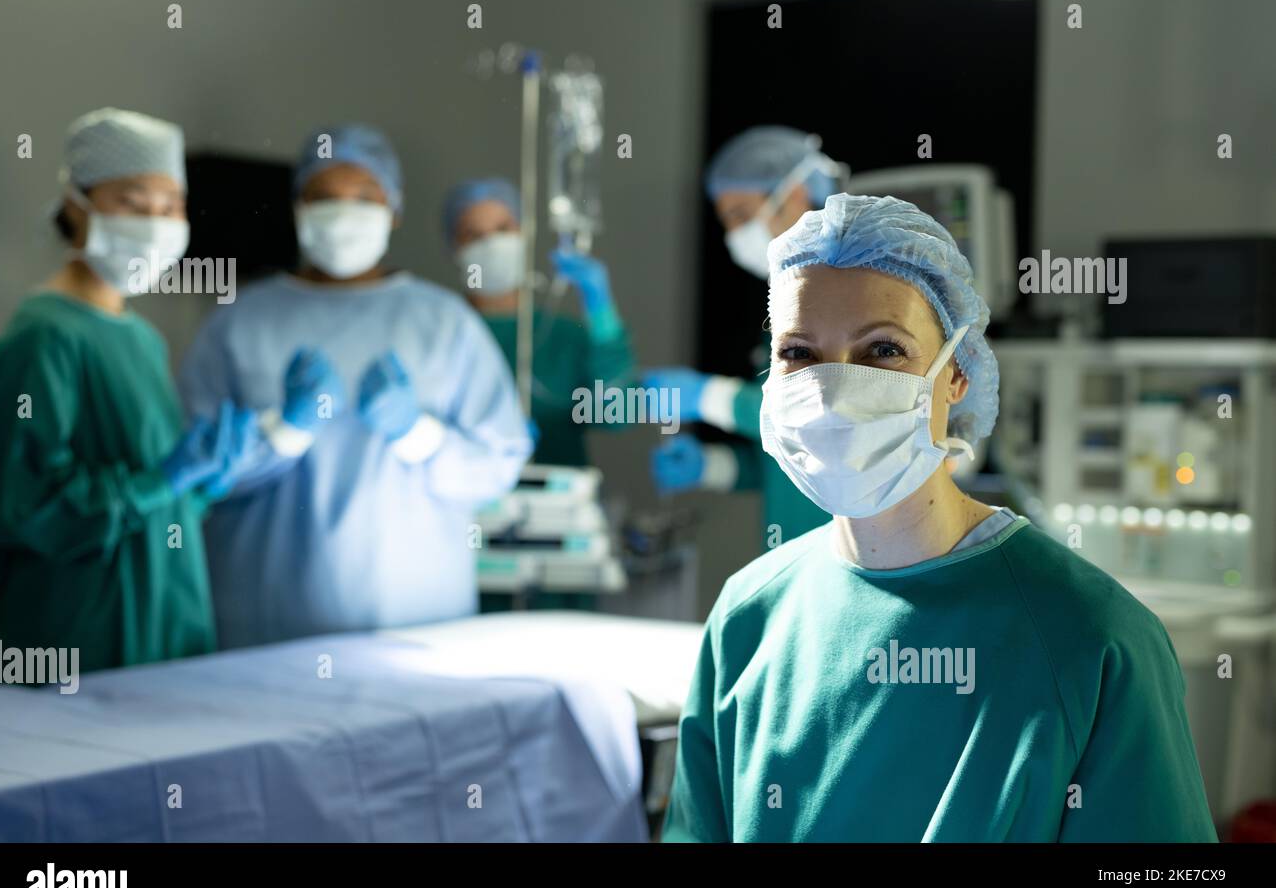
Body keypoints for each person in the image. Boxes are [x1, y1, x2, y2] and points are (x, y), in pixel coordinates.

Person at [663, 193, 1216, 842]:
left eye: (882, 350)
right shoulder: (747, 617)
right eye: (799, 353)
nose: (835, 389)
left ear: (956, 373)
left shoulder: (1091, 640)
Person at [180, 125, 531, 648]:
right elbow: (193, 473)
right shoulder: (238, 323)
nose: (344, 212)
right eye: (324, 197)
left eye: (365, 197)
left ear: (394, 209)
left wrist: (419, 435)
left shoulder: (444, 321)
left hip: (417, 626)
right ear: (298, 207)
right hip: (263, 628)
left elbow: (495, 466)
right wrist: (281, 435)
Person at [0, 108, 251, 673]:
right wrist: (160, 481)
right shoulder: (44, 337)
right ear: (76, 204)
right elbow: (22, 508)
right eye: (132, 202)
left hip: (165, 624)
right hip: (76, 638)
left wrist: (197, 486)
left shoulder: (143, 339)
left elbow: (145, 494)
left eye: (171, 206)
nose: (156, 221)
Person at [644, 126, 845, 547]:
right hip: (795, 559)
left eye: (740, 214)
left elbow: (829, 424)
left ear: (792, 195)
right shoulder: (788, 304)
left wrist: (709, 397)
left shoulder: (852, 293)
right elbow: (794, 458)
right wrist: (713, 466)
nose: (734, 235)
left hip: (851, 560)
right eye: (726, 221)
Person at [442, 177, 636, 467]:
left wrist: (602, 314)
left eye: (502, 229)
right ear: (455, 247)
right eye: (473, 235)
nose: (491, 244)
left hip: (556, 504)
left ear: (523, 233)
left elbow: (619, 416)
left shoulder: (562, 337)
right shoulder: (441, 335)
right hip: (467, 502)